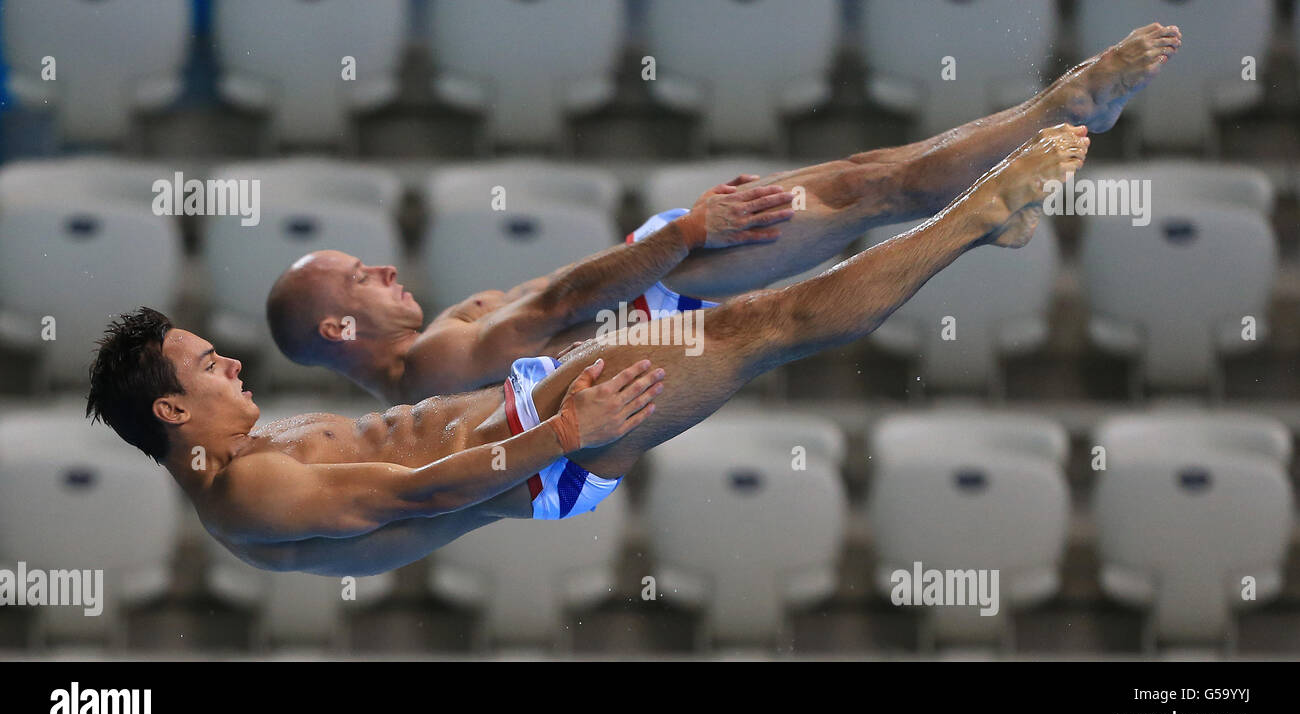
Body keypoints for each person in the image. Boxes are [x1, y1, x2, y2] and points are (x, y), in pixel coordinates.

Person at [87, 123, 1088, 576]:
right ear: (169, 409)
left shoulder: (265, 447)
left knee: (757, 315)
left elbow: (526, 318)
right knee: (758, 329)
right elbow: (418, 493)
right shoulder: (246, 499)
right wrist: (560, 426)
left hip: (530, 424)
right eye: (205, 364)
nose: (228, 365)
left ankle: (969, 202)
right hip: (536, 446)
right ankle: (977, 215)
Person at [265, 23, 1180, 404]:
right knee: (844, 234)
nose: (384, 268)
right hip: (646, 318)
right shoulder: (431, 365)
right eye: (359, 278)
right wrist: (686, 236)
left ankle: (1058, 111)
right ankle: (1018, 165)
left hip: (638, 298)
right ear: (340, 326)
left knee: (864, 183)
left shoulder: (425, 364)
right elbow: (550, 315)